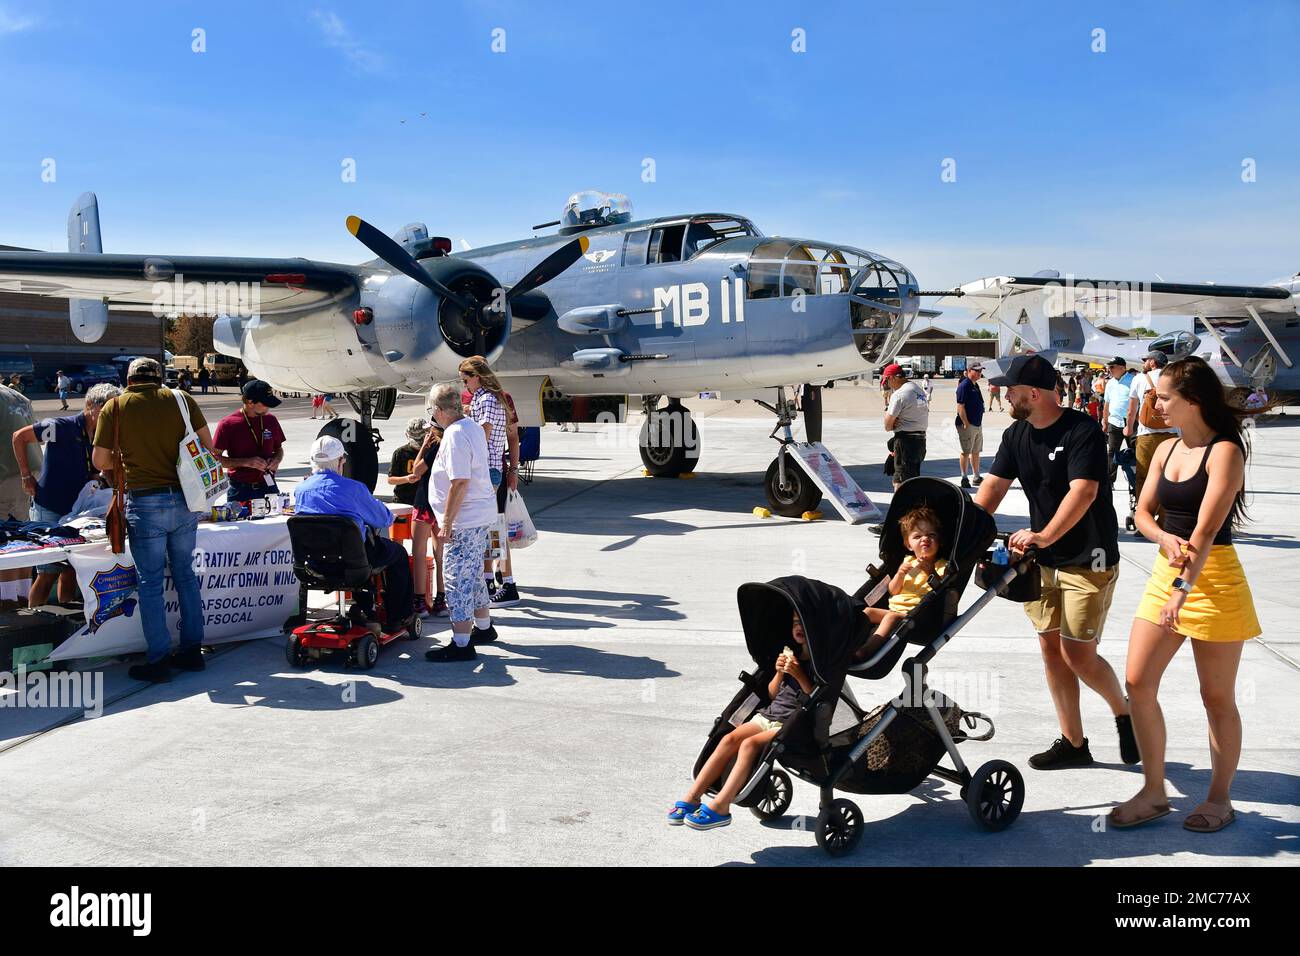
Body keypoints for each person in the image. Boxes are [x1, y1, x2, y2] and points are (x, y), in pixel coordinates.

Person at [1109, 357, 1261, 832]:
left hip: (1213, 582)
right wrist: (1162, 538)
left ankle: (1219, 798)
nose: (1155, 404)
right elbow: (1143, 513)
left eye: (1163, 397)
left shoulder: (1225, 452)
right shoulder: (1165, 450)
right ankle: (1154, 792)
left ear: (1192, 400)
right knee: (1138, 682)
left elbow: (1208, 530)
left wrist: (1183, 589)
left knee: (1215, 696)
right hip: (1167, 574)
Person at [972, 354, 1137, 769]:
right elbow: (992, 489)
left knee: (1078, 654)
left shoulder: (1082, 431)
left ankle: (1124, 711)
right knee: (1050, 650)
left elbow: (1083, 492)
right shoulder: (1016, 434)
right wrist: (962, 533)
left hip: (1088, 559)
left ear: (1033, 393)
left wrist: (1044, 535)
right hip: (1041, 562)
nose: (1004, 395)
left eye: (1010, 390)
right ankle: (1073, 743)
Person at [92, 358, 214, 683]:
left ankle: (159, 660)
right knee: (186, 575)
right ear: (159, 378)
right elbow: (208, 445)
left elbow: (100, 460)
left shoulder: (116, 407)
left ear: (129, 379)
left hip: (145, 501)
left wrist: (128, 456)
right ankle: (192, 651)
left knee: (150, 583)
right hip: (186, 499)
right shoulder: (181, 398)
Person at [671, 611, 814, 830]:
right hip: (769, 715)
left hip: (791, 725)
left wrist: (799, 675)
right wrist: (779, 673)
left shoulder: (819, 665)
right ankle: (693, 796)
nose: (798, 627)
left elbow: (814, 698)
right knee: (729, 739)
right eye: (795, 622)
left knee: (749, 745)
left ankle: (721, 807)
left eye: (803, 622)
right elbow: (772, 694)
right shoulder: (790, 655)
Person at [12, 382, 121, 607]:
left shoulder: (101, 435)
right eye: (107, 408)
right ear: (91, 405)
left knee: (71, 569)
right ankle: (35, 617)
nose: (111, 415)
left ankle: (65, 615)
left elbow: (103, 467)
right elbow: (19, 437)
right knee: (47, 572)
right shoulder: (61, 426)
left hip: (78, 510)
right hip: (51, 505)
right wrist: (26, 475)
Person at [294, 435, 415, 633]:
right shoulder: (353, 489)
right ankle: (399, 615)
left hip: (315, 563)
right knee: (396, 553)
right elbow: (383, 519)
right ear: (340, 461)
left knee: (358, 549)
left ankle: (365, 609)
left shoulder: (301, 490)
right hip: (352, 561)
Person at [423, 383, 500, 662]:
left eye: (432, 408)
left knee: (456, 579)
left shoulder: (455, 435)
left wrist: (447, 523)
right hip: (478, 515)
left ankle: (462, 642)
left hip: (464, 520)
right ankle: (484, 627)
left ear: (439, 409)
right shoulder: (472, 427)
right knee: (474, 574)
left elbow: (459, 481)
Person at [857, 503, 946, 660]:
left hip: (915, 616)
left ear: (939, 541)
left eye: (931, 535)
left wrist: (931, 572)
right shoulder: (907, 561)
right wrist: (899, 575)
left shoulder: (941, 565)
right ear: (909, 545)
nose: (925, 539)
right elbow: (893, 591)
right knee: (866, 612)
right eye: (917, 536)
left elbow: (942, 588)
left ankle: (866, 650)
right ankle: (848, 642)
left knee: (890, 618)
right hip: (893, 610)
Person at [459, 356, 514, 602]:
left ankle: (500, 584)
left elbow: (483, 434)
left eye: (466, 380)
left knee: (488, 529)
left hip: (486, 470)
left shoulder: (487, 400)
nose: (464, 386)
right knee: (490, 528)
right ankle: (491, 581)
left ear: (477, 377)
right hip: (490, 469)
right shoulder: (487, 398)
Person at [388, 416, 447, 618]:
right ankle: (441, 599)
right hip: (442, 503)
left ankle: (419, 600)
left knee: (419, 552)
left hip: (424, 502)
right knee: (440, 554)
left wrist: (423, 447)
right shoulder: (451, 445)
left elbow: (417, 470)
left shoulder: (432, 448)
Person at [211, 380, 286, 504]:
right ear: (250, 402)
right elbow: (214, 459)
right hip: (241, 489)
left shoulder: (271, 420)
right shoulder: (228, 424)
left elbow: (279, 449)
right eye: (265, 403)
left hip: (268, 485)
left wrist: (276, 460)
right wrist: (246, 462)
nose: (268, 407)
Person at [0, 381, 38, 609]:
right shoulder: (18, 396)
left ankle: (7, 600)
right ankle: (23, 596)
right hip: (29, 468)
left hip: (6, 471)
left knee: (4, 538)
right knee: (20, 534)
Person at [1125, 349, 1180, 508]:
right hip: (1172, 434)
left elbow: (1132, 410)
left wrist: (1128, 428)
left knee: (1143, 476)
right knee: (1168, 476)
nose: (1144, 363)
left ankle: (1144, 513)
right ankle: (1164, 517)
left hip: (1146, 434)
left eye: (1146, 360)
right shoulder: (1175, 378)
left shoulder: (1139, 378)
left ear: (1152, 362)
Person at [882, 362, 929, 491]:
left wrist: (892, 420)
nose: (887, 384)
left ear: (892, 377)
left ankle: (901, 503)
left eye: (887, 381)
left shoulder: (899, 394)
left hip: (905, 442)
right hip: (920, 441)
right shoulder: (918, 390)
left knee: (900, 480)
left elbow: (887, 425)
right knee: (912, 477)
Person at [955, 363, 985, 489]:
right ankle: (964, 477)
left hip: (977, 424)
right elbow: (960, 407)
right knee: (966, 451)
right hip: (968, 425)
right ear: (969, 371)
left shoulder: (975, 385)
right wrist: (966, 423)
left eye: (980, 371)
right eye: (976, 371)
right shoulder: (964, 385)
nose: (979, 373)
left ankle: (976, 476)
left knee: (976, 451)